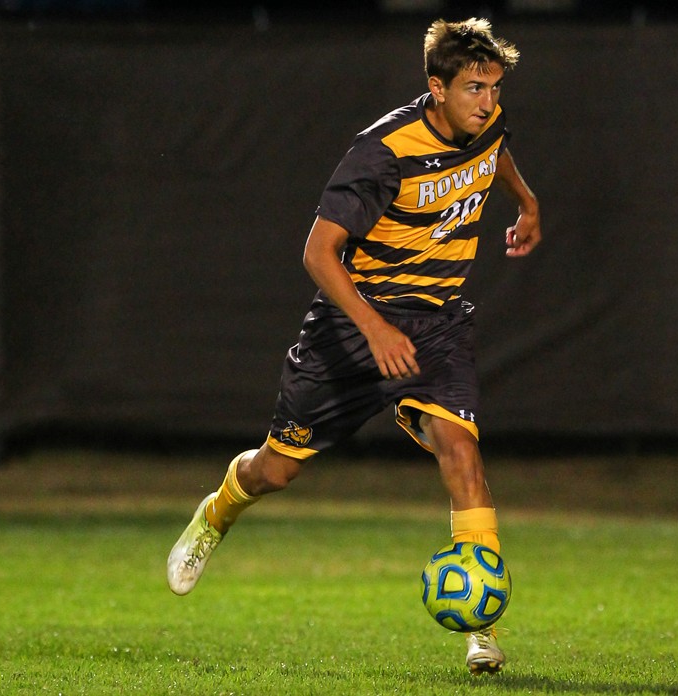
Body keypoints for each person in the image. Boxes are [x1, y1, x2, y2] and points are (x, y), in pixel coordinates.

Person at [166, 17, 541, 674]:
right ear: (436, 86)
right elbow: (317, 253)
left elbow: (496, 155)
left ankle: (481, 627)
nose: (487, 100)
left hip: (439, 325)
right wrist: (374, 327)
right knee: (277, 470)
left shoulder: (487, 127)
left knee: (464, 457)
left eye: (494, 87)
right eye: (474, 87)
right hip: (354, 326)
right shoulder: (384, 149)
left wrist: (527, 202)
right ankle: (219, 509)